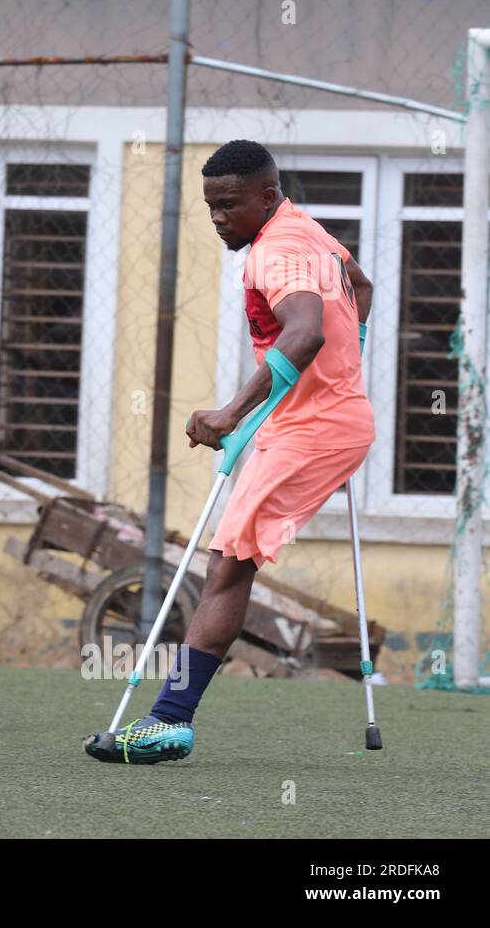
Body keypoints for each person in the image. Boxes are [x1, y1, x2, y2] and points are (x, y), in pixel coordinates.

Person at [84, 139, 375, 764]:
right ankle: (169, 717)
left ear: (267, 197)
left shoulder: (278, 251)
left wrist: (228, 413)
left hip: (313, 428)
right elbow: (360, 284)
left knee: (227, 566)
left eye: (230, 205)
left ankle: (169, 721)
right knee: (230, 564)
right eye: (210, 206)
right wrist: (350, 363)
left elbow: (305, 331)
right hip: (323, 416)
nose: (218, 218)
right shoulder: (310, 232)